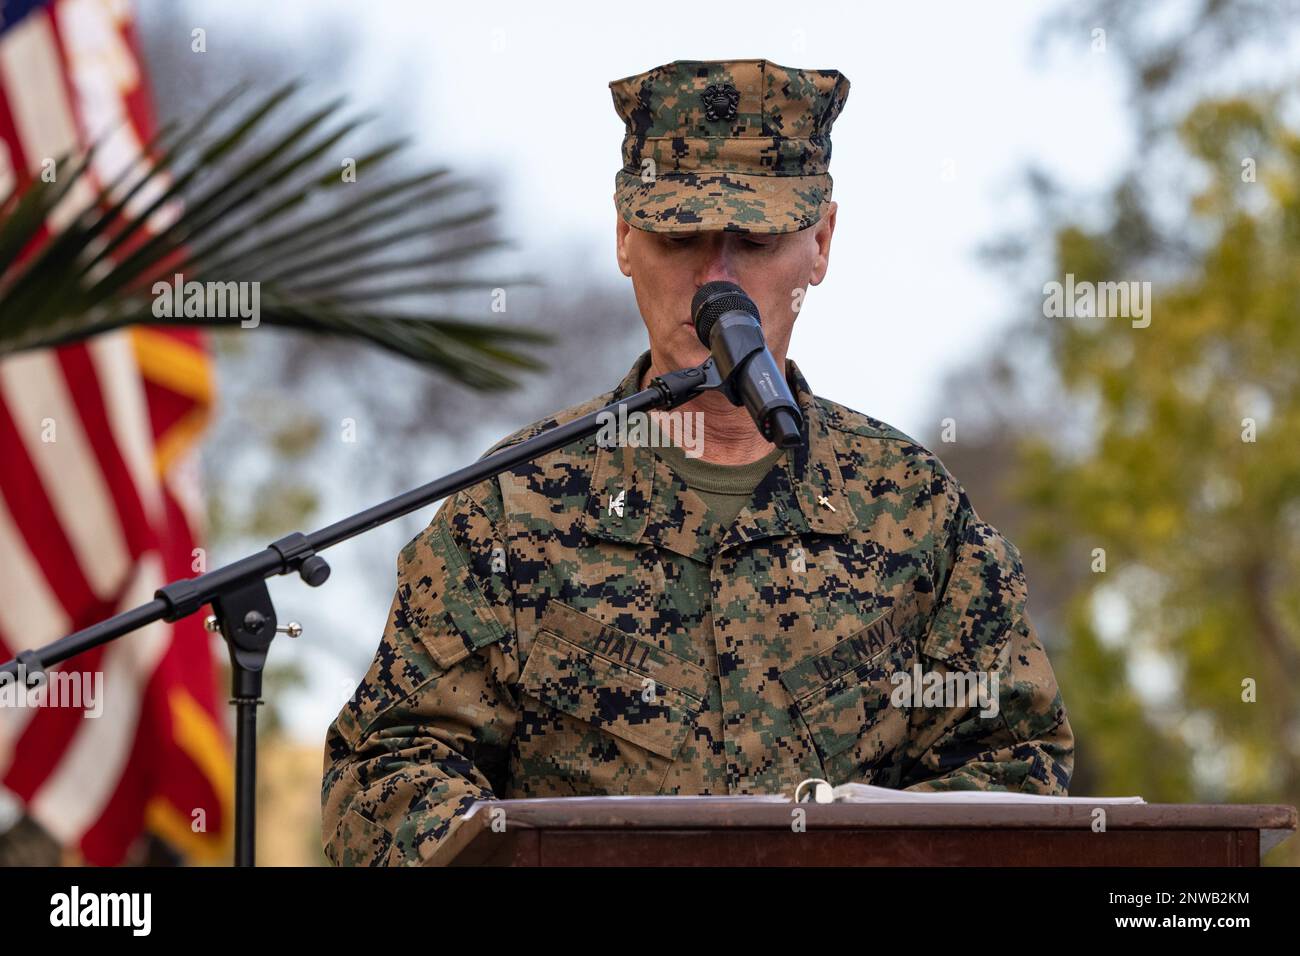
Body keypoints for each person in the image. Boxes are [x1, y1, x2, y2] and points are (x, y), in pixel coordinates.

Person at [321, 58, 1073, 866]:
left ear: (820, 244)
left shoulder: (916, 514)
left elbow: (1014, 767)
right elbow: (384, 774)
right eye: (680, 236)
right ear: (623, 237)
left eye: (754, 240)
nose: (716, 283)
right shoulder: (513, 505)